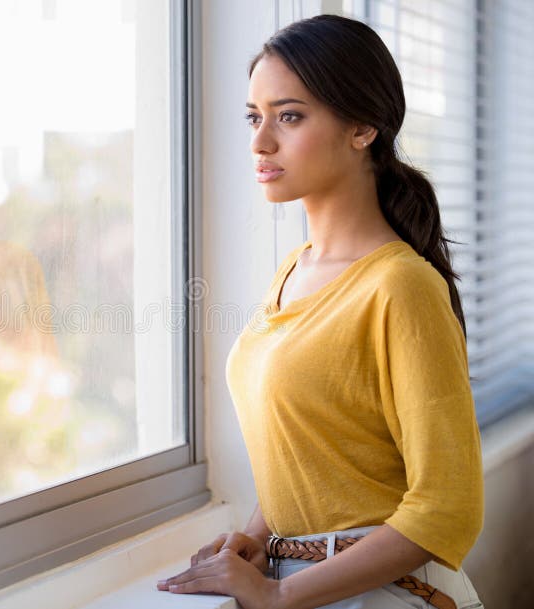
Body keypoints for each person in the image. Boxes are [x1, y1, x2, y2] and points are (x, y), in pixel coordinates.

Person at [156, 14, 485, 609]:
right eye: (254, 118)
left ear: (363, 127)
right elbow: (312, 446)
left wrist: (280, 595)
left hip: (383, 592)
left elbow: (448, 507)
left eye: (289, 116)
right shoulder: (294, 269)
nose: (260, 142)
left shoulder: (401, 288)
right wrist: (258, 537)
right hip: (304, 579)